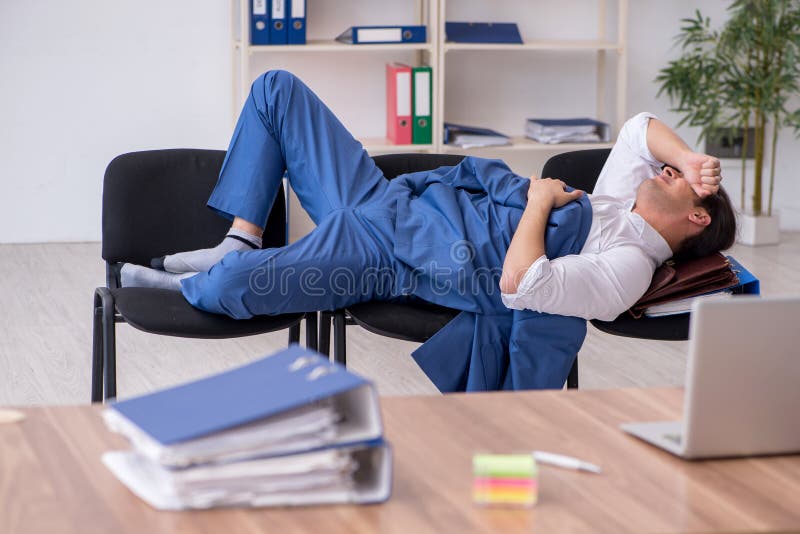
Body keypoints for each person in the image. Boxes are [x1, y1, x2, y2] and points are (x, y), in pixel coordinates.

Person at [121, 70, 736, 391]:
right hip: (383, 198)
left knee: (236, 289)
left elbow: (522, 284)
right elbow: (637, 128)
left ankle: (214, 273)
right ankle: (242, 235)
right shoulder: (617, 201)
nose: (660, 170)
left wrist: (539, 202)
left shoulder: (626, 265)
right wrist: (687, 161)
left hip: (388, 253)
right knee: (276, 91)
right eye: (666, 168)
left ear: (697, 218)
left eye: (676, 179)